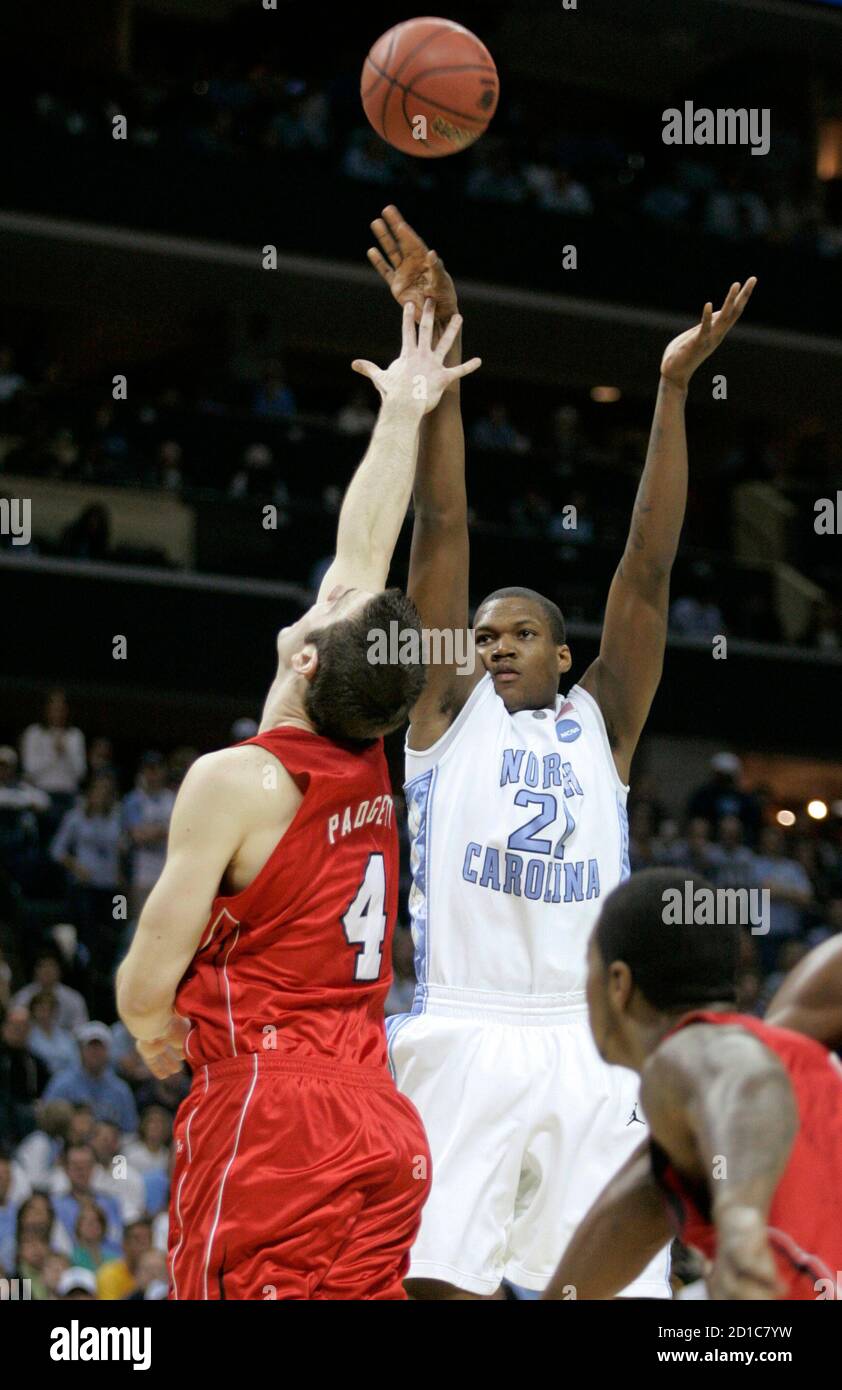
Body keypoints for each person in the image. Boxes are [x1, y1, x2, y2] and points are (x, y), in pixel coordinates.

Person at [366, 203, 756, 1299]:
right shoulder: (442, 711)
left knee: (604, 1290)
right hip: (468, 1022)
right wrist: (439, 372)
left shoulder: (603, 719)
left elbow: (647, 561)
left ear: (562, 652)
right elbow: (442, 526)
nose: (493, 644)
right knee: (432, 1284)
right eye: (483, 632)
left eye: (518, 632)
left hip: (590, 1043)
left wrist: (672, 391)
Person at [115, 302, 481, 1301]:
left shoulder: (236, 780)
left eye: (330, 600)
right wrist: (402, 408)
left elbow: (145, 986)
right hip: (377, 1116)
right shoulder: (365, 744)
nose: (332, 582)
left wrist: (155, 1037)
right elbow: (363, 544)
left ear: (308, 653)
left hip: (274, 1113)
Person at [544, 869, 842, 1300]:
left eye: (587, 964)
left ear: (618, 984)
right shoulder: (671, 1158)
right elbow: (582, 1277)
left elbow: (744, 1082)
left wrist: (740, 1213)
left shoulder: (693, 1053)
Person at [44, 1022, 138, 1132]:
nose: (95, 1052)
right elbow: (48, 1122)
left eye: (100, 1047)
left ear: (108, 1052)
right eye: (91, 1047)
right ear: (81, 1051)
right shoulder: (62, 1083)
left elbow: (130, 1130)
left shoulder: (120, 1090)